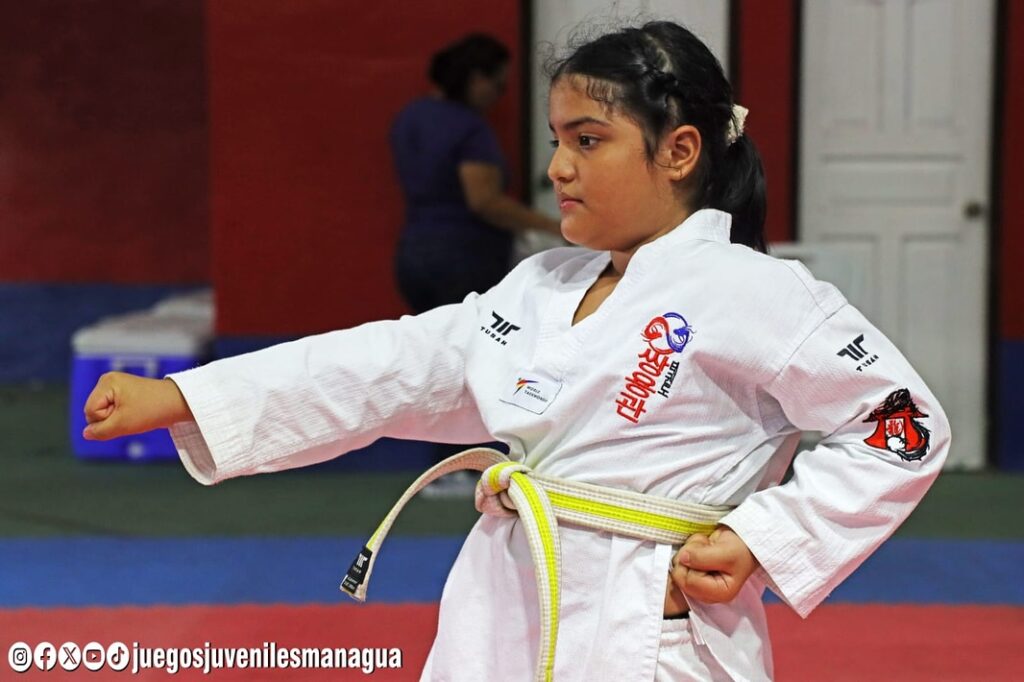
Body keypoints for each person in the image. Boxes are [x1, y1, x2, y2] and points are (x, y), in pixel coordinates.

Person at [83, 21, 950, 681]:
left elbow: (902, 423)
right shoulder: (539, 288)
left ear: (679, 151)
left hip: (649, 620)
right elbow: (392, 364)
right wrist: (190, 398)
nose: (558, 167)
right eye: (555, 139)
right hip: (505, 601)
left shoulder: (753, 292)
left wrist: (769, 536)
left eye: (588, 140)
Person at [391, 33, 561, 314]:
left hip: (411, 253)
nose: (499, 95)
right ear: (476, 78)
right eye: (499, 85)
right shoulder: (470, 128)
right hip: (462, 257)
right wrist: (553, 227)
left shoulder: (410, 117)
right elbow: (485, 202)